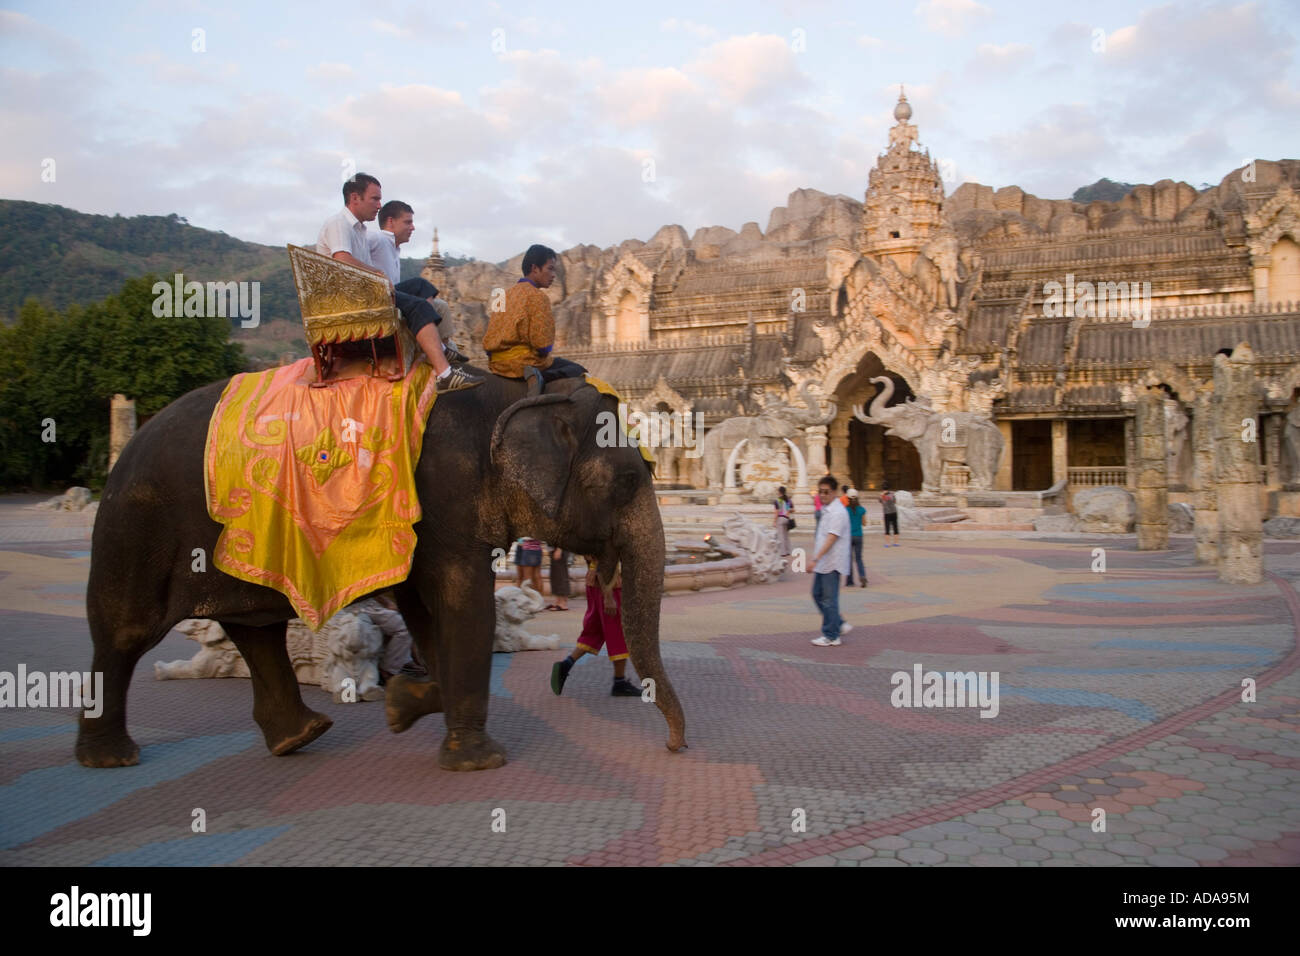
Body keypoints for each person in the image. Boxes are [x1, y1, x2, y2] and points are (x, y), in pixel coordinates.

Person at [316, 173, 481, 393]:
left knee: (421, 286)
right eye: (374, 199)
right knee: (418, 305)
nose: (379, 205)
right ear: (355, 198)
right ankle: (444, 374)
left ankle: (440, 347)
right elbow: (341, 259)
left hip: (368, 293)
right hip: (353, 301)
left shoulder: (361, 231)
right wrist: (378, 274)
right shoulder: (339, 223)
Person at [367, 199, 468, 362]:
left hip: (393, 297)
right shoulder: (377, 238)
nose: (412, 227)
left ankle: (444, 348)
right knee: (420, 285)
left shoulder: (394, 248)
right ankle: (436, 350)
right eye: (408, 222)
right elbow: (356, 251)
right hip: (380, 299)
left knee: (441, 306)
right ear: (391, 222)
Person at [483, 244, 587, 392]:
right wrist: (545, 352)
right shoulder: (538, 296)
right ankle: (538, 378)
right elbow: (543, 345)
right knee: (577, 370)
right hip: (523, 365)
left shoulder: (502, 296)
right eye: (550, 269)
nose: (553, 275)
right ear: (535, 269)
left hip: (497, 365)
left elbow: (490, 335)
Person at [550, 557, 642, 697]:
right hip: (608, 586)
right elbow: (604, 562)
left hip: (594, 583)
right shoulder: (606, 535)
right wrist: (609, 597)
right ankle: (619, 682)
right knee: (618, 634)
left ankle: (566, 665)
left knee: (594, 631)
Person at [808, 474, 852, 647]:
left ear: (834, 492)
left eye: (826, 492)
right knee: (817, 594)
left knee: (829, 598)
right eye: (820, 492)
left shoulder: (837, 512)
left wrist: (815, 559)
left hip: (831, 562)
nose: (823, 495)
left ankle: (832, 635)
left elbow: (832, 538)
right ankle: (838, 624)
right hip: (823, 562)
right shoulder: (827, 510)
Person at [845, 488, 867, 587]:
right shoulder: (861, 509)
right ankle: (862, 576)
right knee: (859, 558)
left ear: (848, 498)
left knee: (849, 558)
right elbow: (864, 523)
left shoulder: (845, 510)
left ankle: (850, 580)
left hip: (848, 536)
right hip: (859, 536)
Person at [773, 486, 795, 557]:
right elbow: (793, 510)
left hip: (780, 519)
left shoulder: (777, 501)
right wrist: (788, 510)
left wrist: (774, 521)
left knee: (781, 536)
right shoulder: (788, 500)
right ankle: (788, 550)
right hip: (787, 519)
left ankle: (782, 552)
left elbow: (777, 512)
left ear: (779, 492)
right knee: (786, 535)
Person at [547, 547, 570, 611]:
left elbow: (563, 536)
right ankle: (558, 602)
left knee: (560, 575)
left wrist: (559, 549)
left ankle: (562, 604)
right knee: (556, 575)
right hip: (555, 549)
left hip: (559, 549)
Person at [880, 481, 900, 547]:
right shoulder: (892, 494)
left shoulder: (881, 495)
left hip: (887, 513)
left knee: (887, 528)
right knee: (895, 527)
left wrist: (883, 495)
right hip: (894, 511)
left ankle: (887, 543)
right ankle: (896, 542)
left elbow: (881, 501)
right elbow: (894, 501)